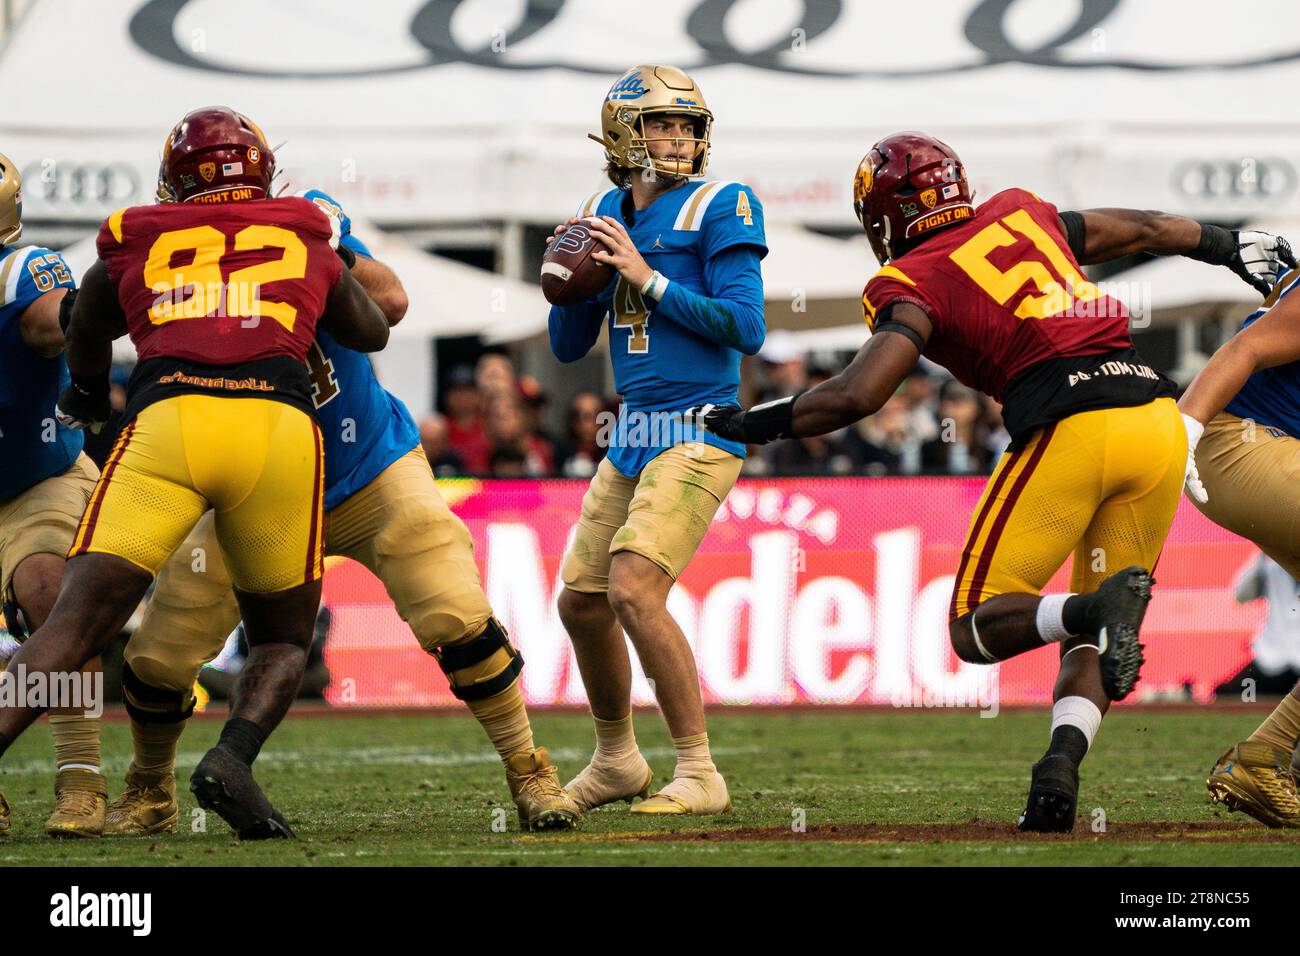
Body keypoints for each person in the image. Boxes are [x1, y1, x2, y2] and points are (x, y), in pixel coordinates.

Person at [690, 131, 1294, 831]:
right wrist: (1226, 244)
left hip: (1076, 425)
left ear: (884, 215)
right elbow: (1149, 228)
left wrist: (750, 423)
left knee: (976, 629)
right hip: (1156, 418)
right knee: (1103, 619)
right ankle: (1059, 766)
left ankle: (1085, 612)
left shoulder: (912, 278)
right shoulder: (1021, 211)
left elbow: (859, 394)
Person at [99, 180, 579, 836]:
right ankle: (150, 788)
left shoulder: (304, 224)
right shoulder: (174, 252)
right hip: (249, 482)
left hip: (365, 469)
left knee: (454, 607)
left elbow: (391, 300)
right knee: (161, 652)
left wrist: (318, 244)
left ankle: (529, 770)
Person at [0, 106, 390, 840]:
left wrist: (84, 391)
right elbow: (373, 329)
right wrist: (315, 280)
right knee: (280, 639)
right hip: (276, 426)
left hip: (171, 421)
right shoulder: (304, 226)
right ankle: (232, 758)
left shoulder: (138, 231)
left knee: (74, 624)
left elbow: (86, 316)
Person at [547, 64, 766, 815]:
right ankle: (616, 760)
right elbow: (571, 346)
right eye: (660, 125)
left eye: (686, 125)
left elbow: (746, 326)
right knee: (581, 603)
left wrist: (649, 277)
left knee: (634, 589)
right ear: (622, 133)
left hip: (700, 427)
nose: (677, 139)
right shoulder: (602, 209)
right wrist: (568, 278)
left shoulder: (722, 201)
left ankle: (700, 771)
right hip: (633, 434)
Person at [0, 151, 106, 837]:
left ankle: (80, 781)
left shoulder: (20, 269)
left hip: (34, 481)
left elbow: (53, 321)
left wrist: (76, 320)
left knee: (50, 592)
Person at [1180, 259, 1300, 828]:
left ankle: (1267, 760)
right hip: (1234, 440)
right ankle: (1266, 760)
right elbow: (1244, 349)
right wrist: (1183, 426)